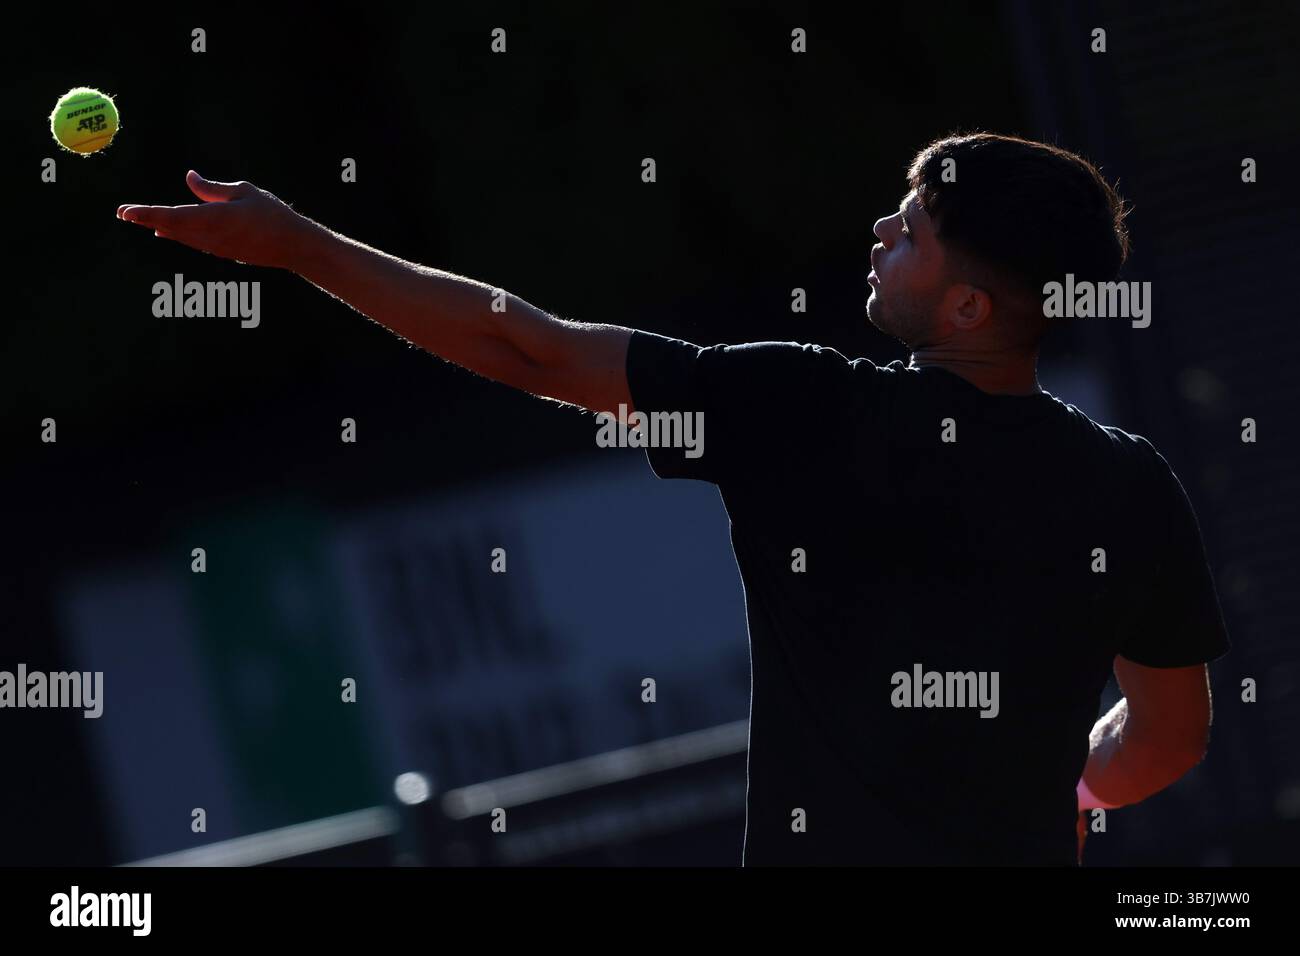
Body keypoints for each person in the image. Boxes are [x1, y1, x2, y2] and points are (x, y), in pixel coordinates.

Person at [118, 132, 1230, 865]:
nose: (884, 234)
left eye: (914, 231)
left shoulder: (803, 406)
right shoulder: (1130, 486)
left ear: (974, 307)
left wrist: (294, 244)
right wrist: (1073, 790)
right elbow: (1170, 736)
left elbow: (523, 344)